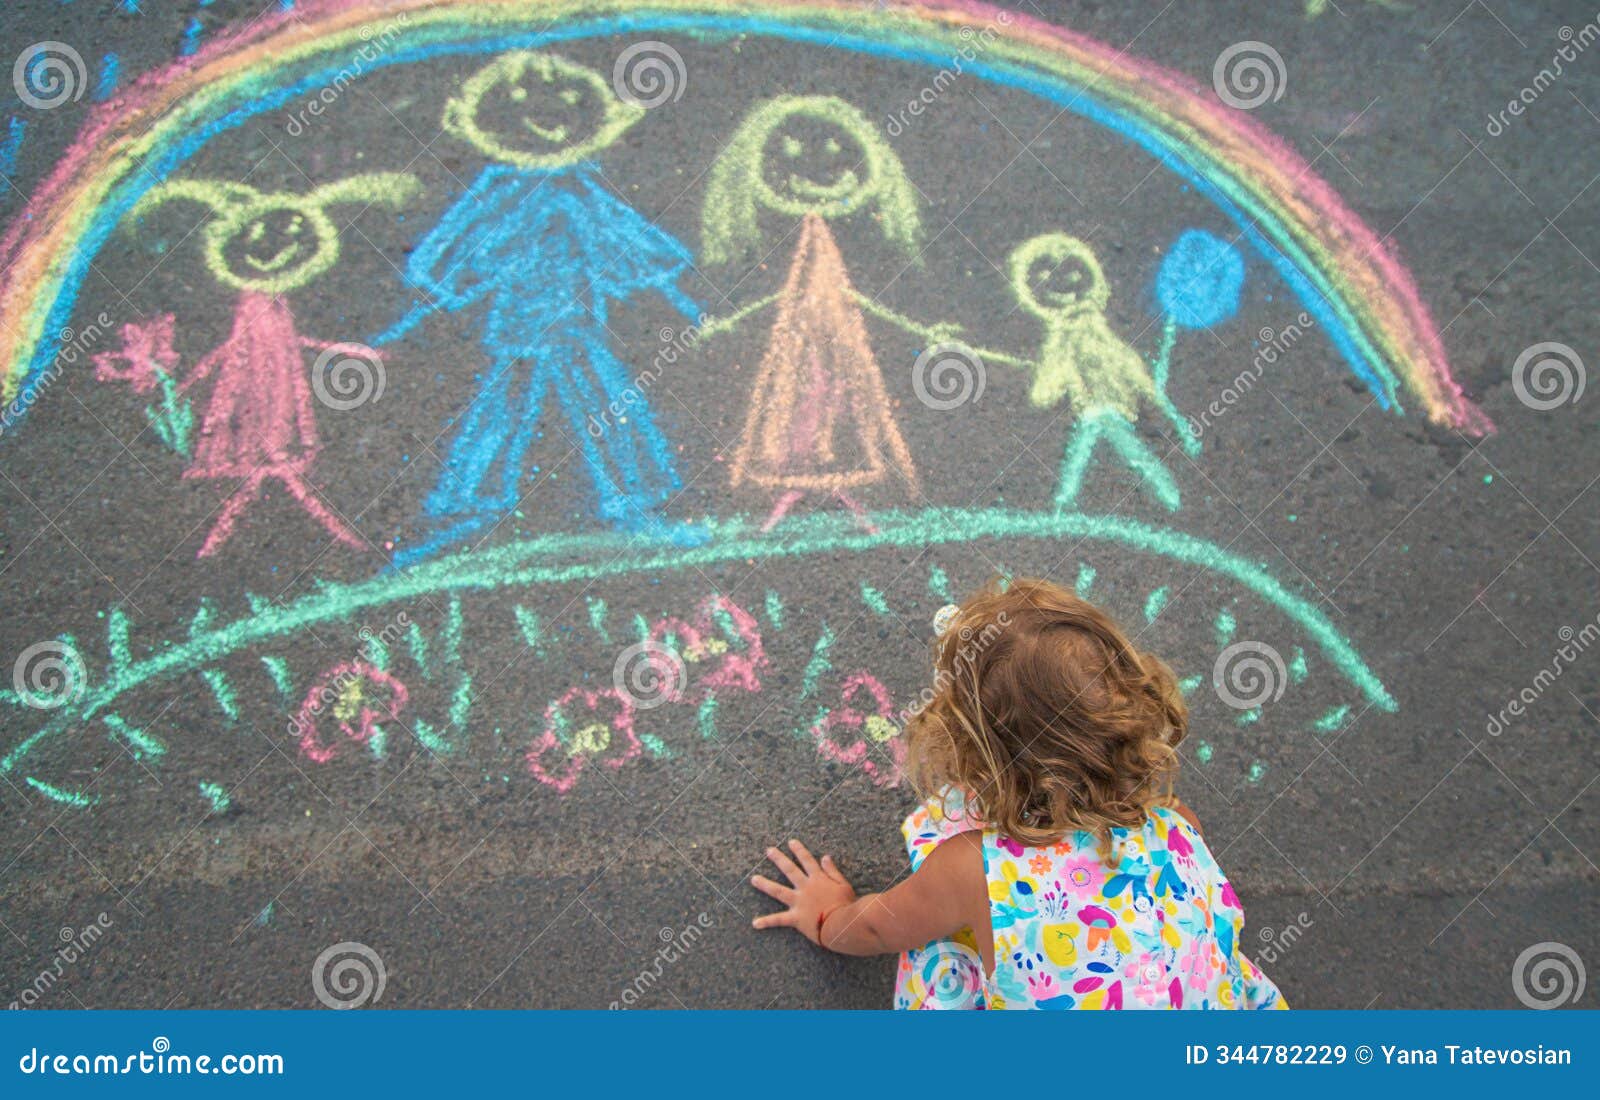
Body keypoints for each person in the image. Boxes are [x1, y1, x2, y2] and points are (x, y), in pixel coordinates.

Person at [750, 578, 1286, 1010]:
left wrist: (826, 917)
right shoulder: (1176, 823)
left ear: (973, 757)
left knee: (938, 941)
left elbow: (872, 929)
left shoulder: (973, 868)